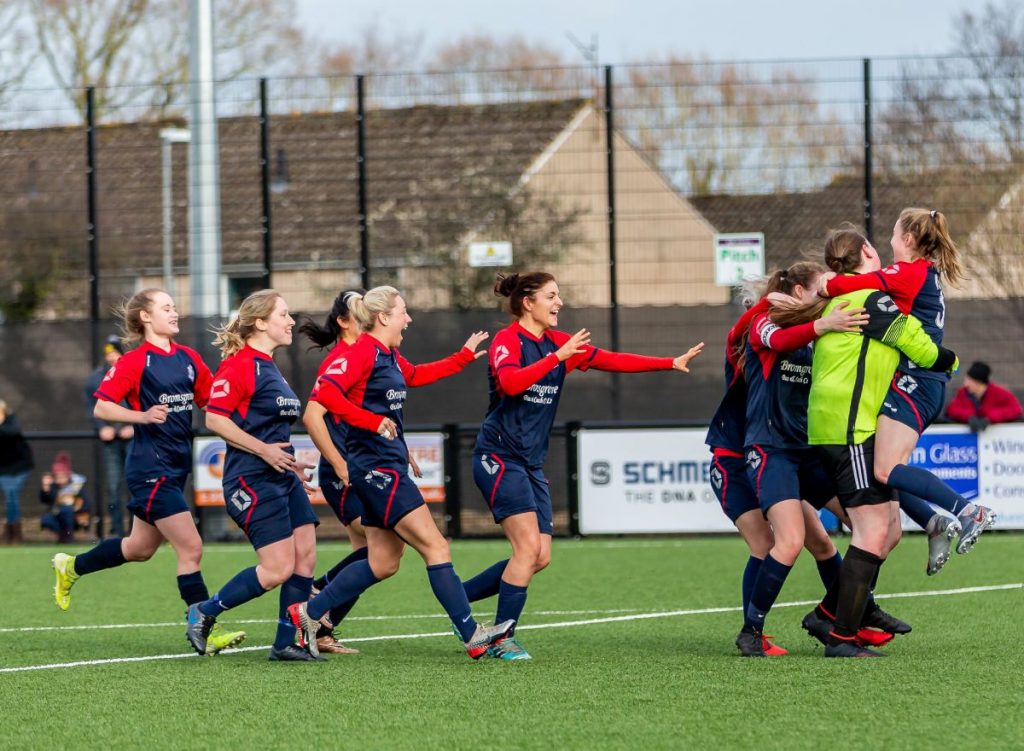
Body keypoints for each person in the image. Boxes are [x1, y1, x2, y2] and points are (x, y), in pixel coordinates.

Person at [461, 272, 704, 660]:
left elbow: (609, 359)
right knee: (525, 549)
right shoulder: (509, 341)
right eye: (551, 296)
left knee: (540, 555)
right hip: (498, 457)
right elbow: (509, 384)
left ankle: (458, 598)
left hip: (529, 462)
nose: (559, 303)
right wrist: (556, 358)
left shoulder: (559, 342)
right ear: (528, 302)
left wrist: (668, 362)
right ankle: (500, 639)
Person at [288, 285, 514, 661]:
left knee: (383, 562)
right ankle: (472, 634)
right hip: (377, 470)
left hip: (384, 466)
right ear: (384, 317)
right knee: (436, 547)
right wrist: (372, 422)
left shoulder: (386, 353)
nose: (408, 318)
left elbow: (417, 375)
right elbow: (326, 395)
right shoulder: (361, 351)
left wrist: (461, 357)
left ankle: (309, 614)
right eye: (403, 311)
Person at [775, 227, 959, 656]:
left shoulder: (845, 297)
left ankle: (830, 613)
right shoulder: (873, 300)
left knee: (889, 530)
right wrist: (950, 361)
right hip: (850, 429)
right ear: (867, 251)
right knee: (874, 531)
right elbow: (925, 350)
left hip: (837, 427)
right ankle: (840, 636)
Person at [51, 289, 245, 655]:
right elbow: (103, 409)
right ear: (145, 317)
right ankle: (202, 625)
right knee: (191, 546)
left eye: (175, 306)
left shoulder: (188, 358)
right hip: (148, 469)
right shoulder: (134, 361)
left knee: (139, 549)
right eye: (167, 307)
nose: (175, 313)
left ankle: (71, 567)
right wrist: (141, 415)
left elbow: (212, 402)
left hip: (175, 469)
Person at [819, 209, 996, 557]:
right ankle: (934, 523)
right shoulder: (922, 273)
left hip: (917, 380)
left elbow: (856, 284)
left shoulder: (908, 272)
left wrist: (827, 284)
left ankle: (968, 511)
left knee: (884, 468)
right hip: (921, 381)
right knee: (883, 469)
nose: (889, 241)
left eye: (895, 235)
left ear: (909, 241)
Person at [733, 262, 881, 657]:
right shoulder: (765, 323)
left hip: (808, 450)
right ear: (798, 291)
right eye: (821, 293)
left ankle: (841, 616)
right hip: (771, 450)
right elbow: (777, 341)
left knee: (869, 523)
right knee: (791, 540)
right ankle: (752, 630)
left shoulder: (818, 339)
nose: (828, 300)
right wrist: (824, 325)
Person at [186, 289, 321, 662]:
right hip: (250, 479)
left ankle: (285, 642)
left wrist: (290, 463)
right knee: (278, 568)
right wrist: (264, 451)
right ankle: (204, 612)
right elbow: (215, 418)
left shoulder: (269, 365)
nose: (291, 321)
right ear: (261, 322)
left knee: (305, 557)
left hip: (281, 477)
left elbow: (269, 431)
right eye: (284, 314)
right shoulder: (240, 364)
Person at [297, 289, 367, 655]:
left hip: (360, 468)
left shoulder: (368, 354)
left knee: (370, 554)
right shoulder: (341, 359)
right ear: (342, 321)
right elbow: (312, 415)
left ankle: (323, 631)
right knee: (382, 550)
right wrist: (338, 463)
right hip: (344, 473)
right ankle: (318, 591)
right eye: (360, 311)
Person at [84, 335, 135, 537]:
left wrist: (134, 425)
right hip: (111, 441)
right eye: (109, 354)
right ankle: (117, 532)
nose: (112, 357)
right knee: (113, 488)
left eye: (115, 352)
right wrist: (101, 427)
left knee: (134, 485)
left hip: (132, 438)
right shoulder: (96, 378)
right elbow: (92, 406)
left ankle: (136, 534)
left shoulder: (133, 372)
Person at [946, 361, 1022, 430]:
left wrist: (990, 418)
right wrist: (969, 417)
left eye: (969, 380)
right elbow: (952, 409)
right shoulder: (963, 393)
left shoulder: (999, 393)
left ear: (979, 382)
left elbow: (1015, 409)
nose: (965, 384)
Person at [0, 399, 33, 544]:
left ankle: (13, 532)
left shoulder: (12, 422)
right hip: (3, 469)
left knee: (12, 494)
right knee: (10, 496)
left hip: (20, 467)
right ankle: (12, 532)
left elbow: (13, 431)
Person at [39, 452, 91, 543]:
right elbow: (45, 500)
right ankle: (63, 536)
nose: (60, 480)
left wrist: (76, 509)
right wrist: (46, 488)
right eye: (57, 477)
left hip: (74, 517)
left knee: (66, 509)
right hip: (57, 517)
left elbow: (87, 503)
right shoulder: (54, 487)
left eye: (62, 476)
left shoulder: (77, 486)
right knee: (46, 520)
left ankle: (69, 536)